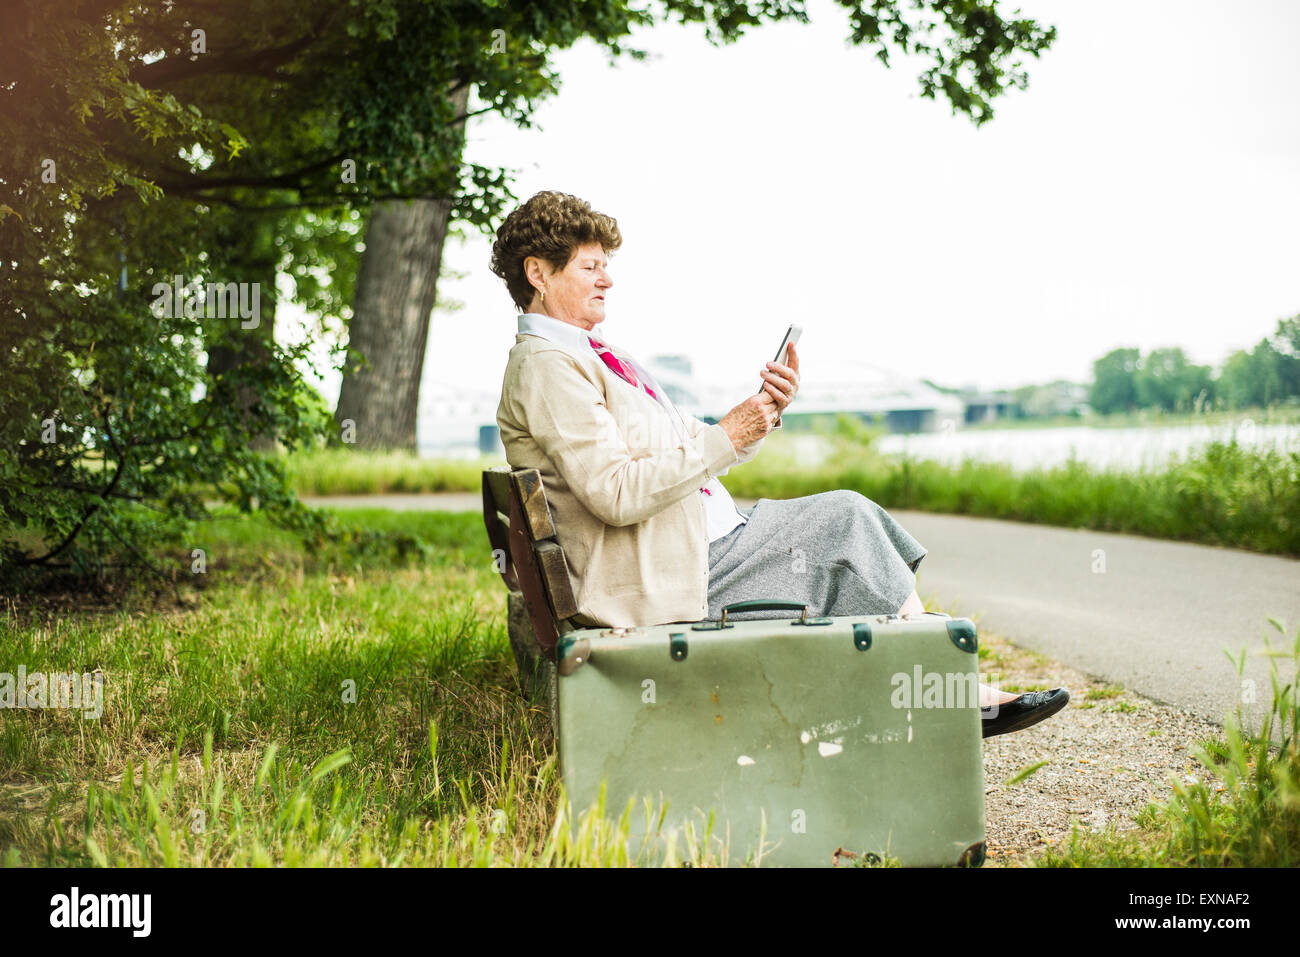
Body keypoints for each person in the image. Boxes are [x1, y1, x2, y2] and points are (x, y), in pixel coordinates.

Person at [491, 190, 1067, 738]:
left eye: (605, 265)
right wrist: (727, 433)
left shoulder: (591, 358)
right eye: (590, 266)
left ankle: (937, 686)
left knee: (845, 533)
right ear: (538, 273)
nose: (608, 278)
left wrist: (758, 415)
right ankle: (946, 692)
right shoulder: (548, 366)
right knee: (845, 521)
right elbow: (615, 493)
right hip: (672, 579)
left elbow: (695, 444)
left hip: (695, 550)